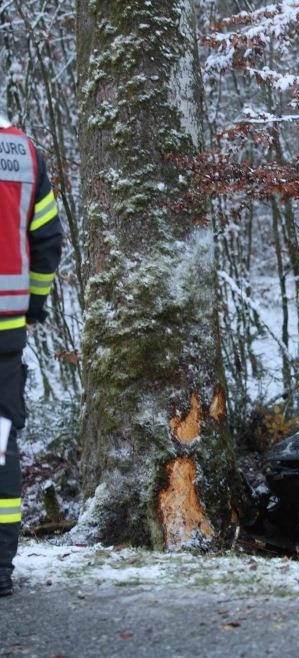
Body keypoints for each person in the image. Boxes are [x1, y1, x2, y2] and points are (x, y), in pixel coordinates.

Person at [0, 114, 62, 597]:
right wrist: (34, 305)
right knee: (0, 443)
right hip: (5, 328)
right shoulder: (24, 154)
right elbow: (48, 240)